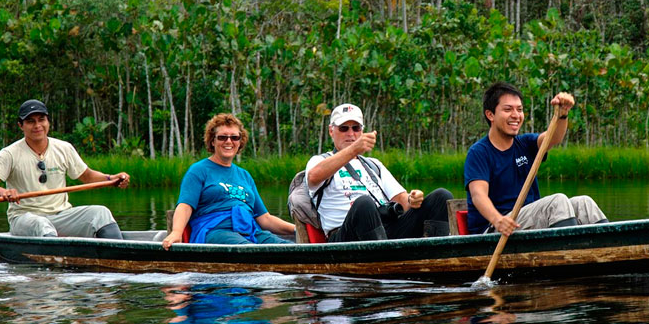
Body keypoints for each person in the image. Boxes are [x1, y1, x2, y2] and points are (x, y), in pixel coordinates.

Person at [465, 82, 607, 236]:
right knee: (557, 201)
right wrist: (498, 219)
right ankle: (570, 253)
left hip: (528, 222)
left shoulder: (525, 144)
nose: (516, 115)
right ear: (490, 114)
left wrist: (562, 114)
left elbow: (553, 138)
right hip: (495, 230)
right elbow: (478, 195)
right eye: (508, 109)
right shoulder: (479, 152)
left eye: (519, 109)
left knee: (584, 203)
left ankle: (611, 251)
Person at [0, 99, 130, 238]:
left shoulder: (64, 148)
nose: (37, 126)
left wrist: (112, 178)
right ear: (21, 125)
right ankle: (56, 261)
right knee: (41, 224)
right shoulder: (9, 153)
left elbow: (87, 176)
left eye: (41, 120)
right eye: (31, 121)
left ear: (48, 121)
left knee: (101, 213)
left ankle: (121, 257)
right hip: (25, 218)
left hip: (61, 215)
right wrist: (4, 192)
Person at [305, 103, 453, 242]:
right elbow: (313, 177)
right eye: (344, 128)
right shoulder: (319, 160)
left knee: (441, 197)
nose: (350, 134)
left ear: (361, 131)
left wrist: (413, 199)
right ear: (332, 131)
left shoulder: (373, 164)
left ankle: (435, 253)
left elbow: (403, 201)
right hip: (346, 235)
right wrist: (354, 150)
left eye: (356, 128)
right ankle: (383, 260)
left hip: (384, 230)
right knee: (364, 203)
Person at [162, 113, 295, 248]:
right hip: (215, 231)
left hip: (250, 232)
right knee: (247, 249)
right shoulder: (199, 171)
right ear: (212, 141)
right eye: (222, 137)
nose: (229, 141)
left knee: (288, 248)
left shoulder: (245, 176)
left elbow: (265, 219)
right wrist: (176, 232)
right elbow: (185, 206)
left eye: (234, 137)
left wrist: (295, 229)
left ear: (240, 142)